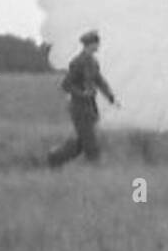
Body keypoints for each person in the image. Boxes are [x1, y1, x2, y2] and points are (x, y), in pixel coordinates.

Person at [48, 30, 117, 167]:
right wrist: (82, 93)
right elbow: (66, 85)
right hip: (79, 108)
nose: (98, 46)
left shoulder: (93, 62)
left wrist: (110, 97)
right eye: (96, 43)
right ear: (90, 44)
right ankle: (96, 172)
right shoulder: (78, 62)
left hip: (90, 107)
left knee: (83, 142)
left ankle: (55, 157)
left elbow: (99, 80)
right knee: (91, 145)